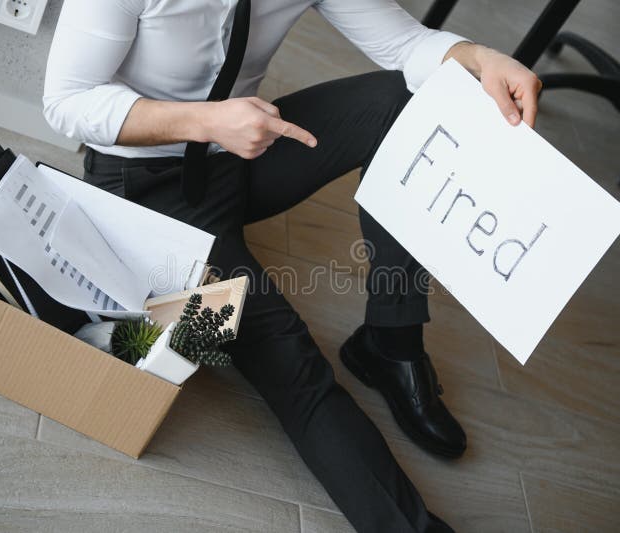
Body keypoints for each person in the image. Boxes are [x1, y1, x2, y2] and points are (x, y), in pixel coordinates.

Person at [43, 1, 541, 531]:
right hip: (146, 188)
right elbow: (66, 101)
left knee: (404, 104)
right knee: (291, 358)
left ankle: (389, 344)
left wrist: (477, 57)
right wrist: (206, 121)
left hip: (237, 157)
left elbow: (406, 46)